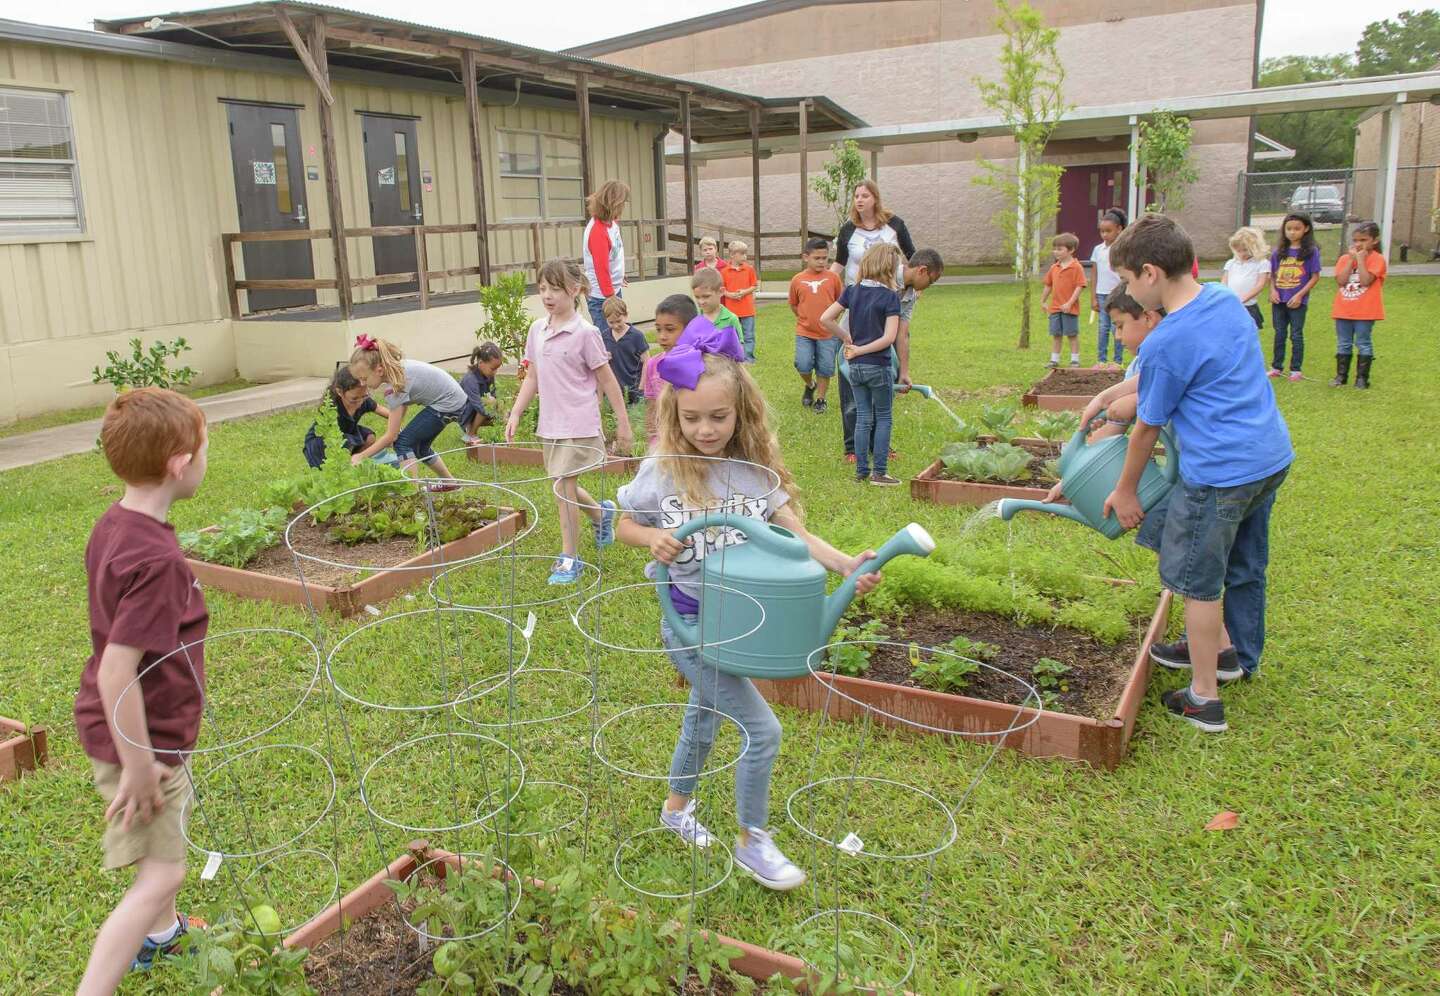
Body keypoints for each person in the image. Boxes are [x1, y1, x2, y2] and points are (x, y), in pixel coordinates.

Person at [614, 320, 882, 891]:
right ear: (673, 416)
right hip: (689, 624)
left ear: (741, 413)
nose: (705, 430)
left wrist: (842, 564)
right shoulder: (660, 474)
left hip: (739, 621)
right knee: (764, 732)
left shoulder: (751, 475)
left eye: (719, 417)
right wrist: (651, 539)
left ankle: (675, 809)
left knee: (705, 716)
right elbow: (620, 524)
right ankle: (752, 841)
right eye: (691, 418)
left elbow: (793, 534)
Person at [1105, 214, 1293, 732]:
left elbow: (1147, 428)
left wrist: (1124, 490)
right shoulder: (1223, 301)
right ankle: (1225, 654)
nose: (1124, 289)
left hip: (1220, 474)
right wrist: (1110, 395)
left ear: (1149, 273)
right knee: (1234, 559)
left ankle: (1204, 698)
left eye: (1125, 278)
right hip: (1268, 459)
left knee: (1198, 582)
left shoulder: (1167, 339)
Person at [75, 388, 211, 994]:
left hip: (137, 729)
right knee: (161, 871)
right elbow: (116, 671)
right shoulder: (158, 561)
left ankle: (161, 937)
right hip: (142, 741)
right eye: (205, 449)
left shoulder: (117, 524)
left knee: (165, 844)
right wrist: (138, 765)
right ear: (180, 463)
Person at [506, 259, 634, 584]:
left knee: (562, 486)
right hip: (550, 423)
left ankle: (570, 558)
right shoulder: (537, 329)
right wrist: (517, 412)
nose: (547, 295)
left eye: (555, 289)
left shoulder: (586, 333)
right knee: (561, 483)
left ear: (574, 290)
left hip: (578, 421)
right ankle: (600, 513)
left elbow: (607, 380)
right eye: (543, 288)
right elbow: (532, 375)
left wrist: (623, 423)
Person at [1041, 283, 1164, 508]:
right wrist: (1072, 479)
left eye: (1120, 326)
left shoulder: (1173, 356)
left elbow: (1133, 417)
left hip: (1213, 469)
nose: (1117, 336)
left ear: (1149, 317)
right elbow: (1116, 422)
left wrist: (1116, 404)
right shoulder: (1138, 366)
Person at [830, 180, 915, 462]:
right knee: (850, 373)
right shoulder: (848, 230)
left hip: (888, 301)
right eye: (856, 196)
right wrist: (828, 288)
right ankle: (852, 446)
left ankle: (881, 444)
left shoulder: (895, 226)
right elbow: (839, 265)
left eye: (865, 195)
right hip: (856, 303)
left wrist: (912, 291)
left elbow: (911, 259)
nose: (860, 200)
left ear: (876, 198)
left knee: (883, 367)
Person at [821, 243, 903, 486]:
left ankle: (861, 471)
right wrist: (861, 349)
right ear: (890, 267)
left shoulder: (851, 291)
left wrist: (847, 340)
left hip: (854, 367)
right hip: (878, 366)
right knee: (884, 417)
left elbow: (825, 318)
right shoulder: (890, 298)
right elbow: (888, 338)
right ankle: (879, 473)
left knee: (863, 416)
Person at [347, 335, 467, 487]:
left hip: (448, 404)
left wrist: (361, 456)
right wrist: (396, 431)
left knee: (403, 443)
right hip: (454, 400)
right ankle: (450, 483)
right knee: (420, 448)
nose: (363, 383)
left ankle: (411, 491)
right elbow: (401, 410)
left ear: (378, 370)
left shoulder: (394, 387)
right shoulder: (397, 371)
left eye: (364, 378)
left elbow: (391, 437)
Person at [789, 237, 844, 414]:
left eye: (825, 258)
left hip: (828, 334)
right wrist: (805, 318)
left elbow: (840, 302)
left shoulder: (833, 278)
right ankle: (810, 384)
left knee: (825, 368)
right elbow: (794, 304)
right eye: (817, 258)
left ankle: (821, 399)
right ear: (806, 257)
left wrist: (832, 322)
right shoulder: (797, 279)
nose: (822, 262)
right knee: (802, 364)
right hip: (804, 332)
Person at [302, 366, 394, 469]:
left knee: (369, 437)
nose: (359, 402)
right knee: (347, 443)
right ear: (340, 392)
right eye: (354, 399)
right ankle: (344, 468)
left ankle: (354, 463)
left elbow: (389, 413)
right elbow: (330, 438)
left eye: (363, 396)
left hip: (347, 434)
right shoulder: (332, 408)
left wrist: (395, 429)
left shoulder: (362, 399)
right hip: (321, 442)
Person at [1330, 221, 1386, 390]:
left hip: (1365, 311)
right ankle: (1341, 376)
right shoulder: (1344, 259)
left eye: (1363, 240)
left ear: (1374, 240)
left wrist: (1361, 261)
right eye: (1355, 240)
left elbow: (1366, 281)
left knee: (1363, 342)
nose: (1358, 244)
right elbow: (1341, 281)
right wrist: (1350, 261)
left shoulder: (1378, 259)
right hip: (1344, 309)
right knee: (1343, 343)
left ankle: (1362, 379)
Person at [1267, 213, 1320, 381]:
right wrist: (1273, 291)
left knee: (1296, 334)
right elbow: (1273, 275)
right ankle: (1276, 367)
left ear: (1306, 229)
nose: (1292, 232)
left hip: (1297, 301)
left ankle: (1296, 369)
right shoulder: (1277, 253)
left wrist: (1299, 295)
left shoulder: (1311, 252)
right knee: (1279, 333)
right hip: (1279, 300)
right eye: (1288, 229)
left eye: (1297, 229)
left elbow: (1314, 276)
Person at [643, 295, 696, 450]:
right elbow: (652, 407)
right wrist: (652, 443)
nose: (662, 337)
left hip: (693, 441)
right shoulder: (653, 364)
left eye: (670, 329)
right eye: (658, 329)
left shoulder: (701, 364)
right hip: (663, 443)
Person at [893, 248, 945, 395]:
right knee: (853, 408)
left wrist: (903, 372)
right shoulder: (885, 276)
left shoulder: (911, 296)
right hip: (852, 343)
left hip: (879, 349)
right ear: (922, 270)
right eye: (931, 281)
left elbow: (902, 334)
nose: (928, 287)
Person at [582, 179, 629, 332]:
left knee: (621, 335)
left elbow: (614, 255)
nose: (624, 207)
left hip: (613, 290)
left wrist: (619, 275)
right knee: (608, 340)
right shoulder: (598, 231)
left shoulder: (612, 224)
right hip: (602, 297)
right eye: (622, 203)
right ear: (613, 204)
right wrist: (610, 297)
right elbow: (600, 268)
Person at [1042, 233, 1086, 368]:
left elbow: (1080, 286)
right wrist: (1043, 300)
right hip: (1055, 308)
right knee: (1056, 334)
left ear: (1071, 250)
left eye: (1060, 249)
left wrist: (1069, 303)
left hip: (1069, 308)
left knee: (1072, 334)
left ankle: (1075, 360)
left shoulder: (1077, 267)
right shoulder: (1054, 268)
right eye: (1054, 248)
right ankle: (1054, 359)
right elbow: (1048, 285)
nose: (1056, 252)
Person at [1090, 208, 1127, 365]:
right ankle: (1101, 360)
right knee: (1103, 328)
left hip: (1118, 295)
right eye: (1102, 231)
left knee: (1117, 328)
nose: (1104, 235)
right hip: (1101, 294)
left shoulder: (1123, 249)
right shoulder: (1098, 250)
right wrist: (1093, 297)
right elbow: (1094, 273)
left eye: (1108, 231)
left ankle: (1117, 361)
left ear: (1119, 229)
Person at [600, 295, 649, 406]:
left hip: (634, 389)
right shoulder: (605, 336)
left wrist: (641, 387)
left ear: (626, 315)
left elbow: (647, 361)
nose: (616, 325)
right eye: (611, 322)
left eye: (618, 321)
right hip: (615, 389)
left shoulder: (637, 336)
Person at [1221, 226, 1271, 330]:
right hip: (1231, 305)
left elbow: (1260, 285)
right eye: (1239, 251)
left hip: (1248, 306)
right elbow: (1224, 282)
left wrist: (1243, 298)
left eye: (1245, 250)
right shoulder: (1231, 263)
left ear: (1255, 247)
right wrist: (1226, 297)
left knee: (1249, 335)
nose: (1242, 254)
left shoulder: (1262, 263)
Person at [721, 240, 760, 362]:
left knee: (749, 335)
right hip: (731, 311)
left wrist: (744, 292)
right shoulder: (724, 272)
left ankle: (748, 358)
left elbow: (754, 286)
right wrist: (730, 295)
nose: (745, 256)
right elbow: (722, 290)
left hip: (747, 310)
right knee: (734, 335)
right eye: (742, 254)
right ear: (732, 255)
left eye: (745, 253)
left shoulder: (749, 269)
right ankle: (735, 357)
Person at [459, 342, 502, 442]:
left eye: (497, 369)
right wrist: (498, 416)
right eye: (493, 369)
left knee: (491, 402)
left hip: (477, 409)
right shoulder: (470, 379)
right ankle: (470, 433)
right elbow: (479, 406)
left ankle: (472, 430)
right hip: (463, 414)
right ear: (481, 363)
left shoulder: (489, 376)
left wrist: (501, 410)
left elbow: (494, 396)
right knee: (487, 403)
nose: (495, 372)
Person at [691, 267, 744, 342]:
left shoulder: (731, 319)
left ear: (721, 292)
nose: (701, 302)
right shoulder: (695, 318)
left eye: (706, 296)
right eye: (697, 297)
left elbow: (739, 349)